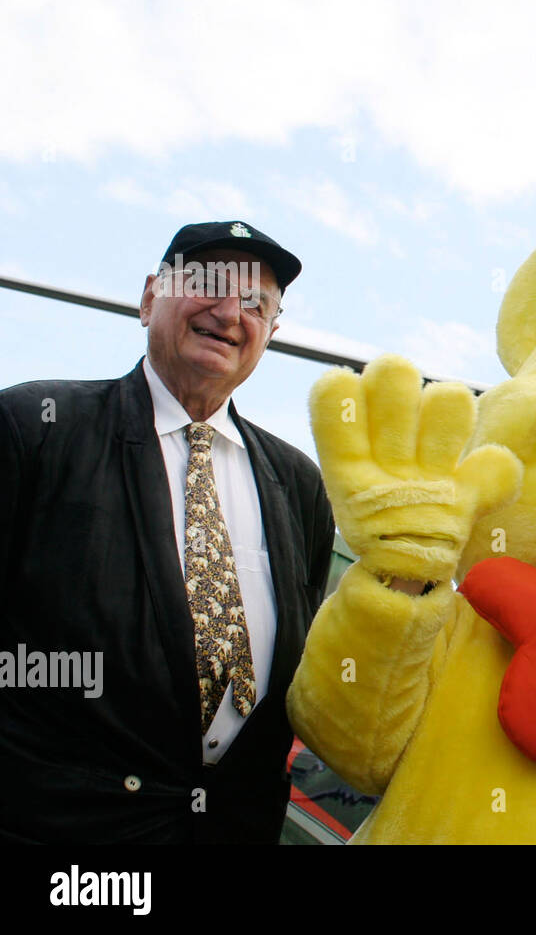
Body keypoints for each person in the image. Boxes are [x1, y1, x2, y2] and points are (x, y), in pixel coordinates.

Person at [0, 221, 334, 843]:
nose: (229, 312)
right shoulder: (35, 427)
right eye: (208, 283)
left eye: (255, 302)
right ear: (151, 296)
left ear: (271, 331)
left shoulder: (298, 485)